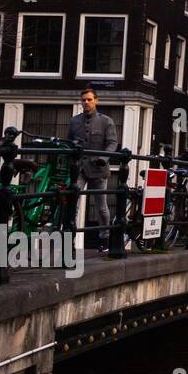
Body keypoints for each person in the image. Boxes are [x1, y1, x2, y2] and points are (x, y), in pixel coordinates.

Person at [69, 89, 119, 252]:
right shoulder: (74, 121)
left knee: (101, 206)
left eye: (89, 99)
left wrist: (103, 159)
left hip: (98, 169)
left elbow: (112, 143)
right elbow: (69, 142)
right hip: (80, 168)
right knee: (72, 203)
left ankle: (104, 238)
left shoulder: (106, 121)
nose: (86, 102)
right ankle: (71, 237)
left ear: (96, 100)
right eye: (83, 100)